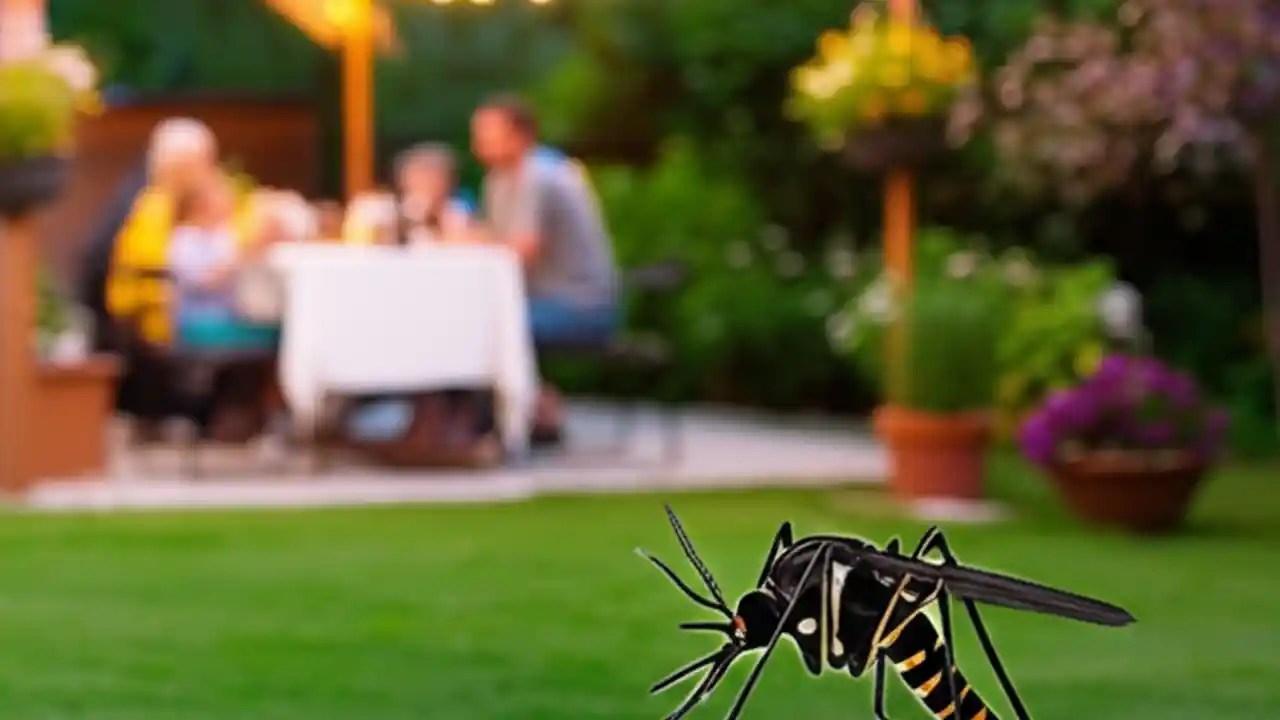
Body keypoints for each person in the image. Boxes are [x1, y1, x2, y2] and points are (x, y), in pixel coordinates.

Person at [471, 95, 621, 441]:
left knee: (487, 329)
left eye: (488, 134)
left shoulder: (540, 175)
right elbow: (493, 240)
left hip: (581, 306)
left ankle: (519, 420)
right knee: (480, 323)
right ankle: (530, 411)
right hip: (543, 302)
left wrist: (465, 241)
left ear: (521, 135)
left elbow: (521, 251)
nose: (479, 145)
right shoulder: (500, 180)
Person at [167, 175, 279, 351]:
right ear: (201, 204)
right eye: (221, 195)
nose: (230, 200)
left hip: (233, 318)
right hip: (200, 325)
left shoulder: (224, 233)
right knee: (277, 336)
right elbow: (204, 282)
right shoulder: (185, 239)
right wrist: (245, 252)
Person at [393, 143, 476, 246]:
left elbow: (462, 236)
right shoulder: (400, 209)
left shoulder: (456, 207)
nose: (425, 183)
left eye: (431, 178)